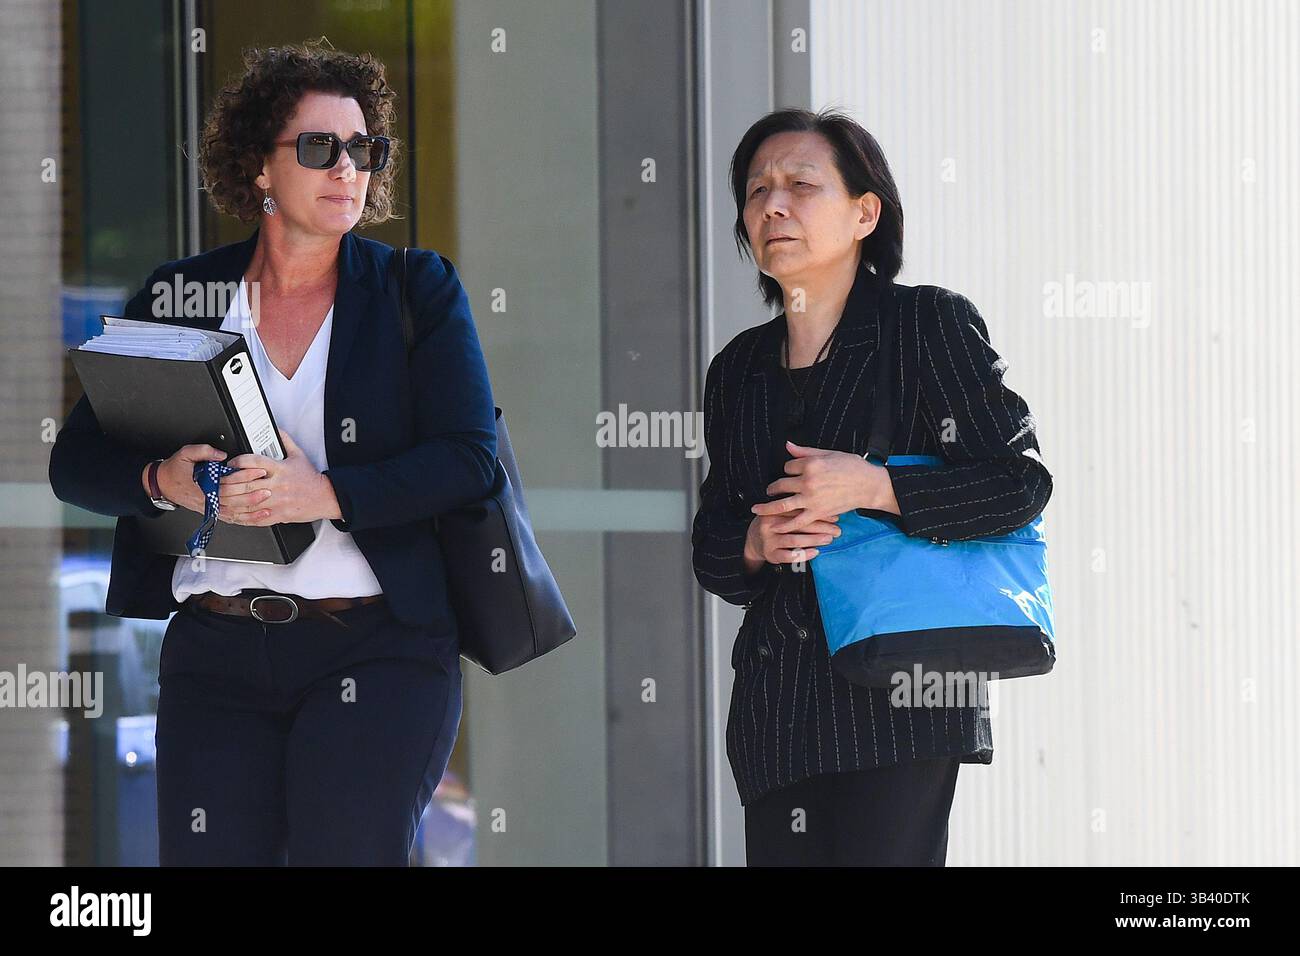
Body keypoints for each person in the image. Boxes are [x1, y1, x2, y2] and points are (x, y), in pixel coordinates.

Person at [48, 40, 497, 865]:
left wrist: (320, 494)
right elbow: (73, 464)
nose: (348, 169)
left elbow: (472, 459)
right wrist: (162, 480)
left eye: (365, 150)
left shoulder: (414, 289)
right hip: (214, 652)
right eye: (320, 148)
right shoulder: (183, 295)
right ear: (259, 166)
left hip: (377, 646)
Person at [691, 108, 1053, 866]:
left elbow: (1020, 484)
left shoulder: (927, 324)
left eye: (800, 185)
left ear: (865, 213)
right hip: (776, 713)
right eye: (756, 191)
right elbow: (714, 550)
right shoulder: (737, 369)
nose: (772, 206)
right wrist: (754, 543)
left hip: (902, 697)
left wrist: (875, 487)